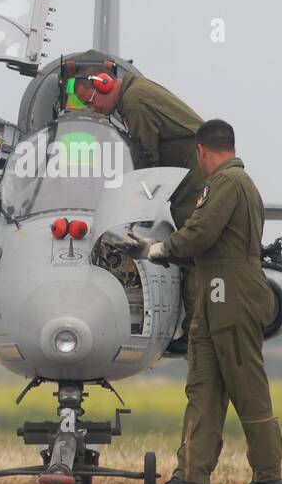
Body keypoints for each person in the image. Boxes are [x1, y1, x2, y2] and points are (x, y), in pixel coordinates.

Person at [133, 119, 282, 484]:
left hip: (232, 294)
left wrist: (160, 249)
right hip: (215, 293)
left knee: (247, 386)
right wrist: (162, 248)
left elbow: (201, 232)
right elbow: (205, 244)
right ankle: (192, 475)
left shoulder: (228, 184)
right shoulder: (231, 184)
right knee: (204, 389)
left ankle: (268, 475)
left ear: (201, 151)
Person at [74, 71, 204, 353]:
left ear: (105, 85)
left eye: (91, 101)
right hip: (187, 172)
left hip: (192, 176)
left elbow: (147, 160)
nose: (92, 109)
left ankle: (197, 333)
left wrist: (133, 211)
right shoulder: (136, 94)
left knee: (192, 247)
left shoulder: (135, 103)